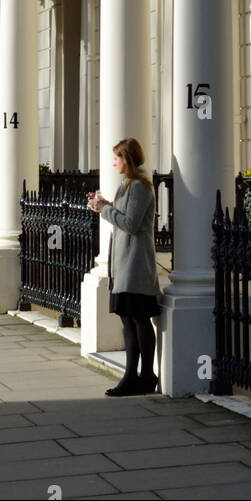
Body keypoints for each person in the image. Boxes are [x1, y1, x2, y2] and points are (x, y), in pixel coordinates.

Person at [87, 138, 162, 396]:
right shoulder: (128, 184)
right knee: (128, 319)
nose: (114, 162)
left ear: (126, 159)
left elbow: (130, 223)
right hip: (124, 263)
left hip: (135, 264)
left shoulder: (140, 186)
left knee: (138, 318)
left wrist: (103, 210)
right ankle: (133, 375)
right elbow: (124, 217)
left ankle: (144, 375)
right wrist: (106, 205)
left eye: (117, 158)